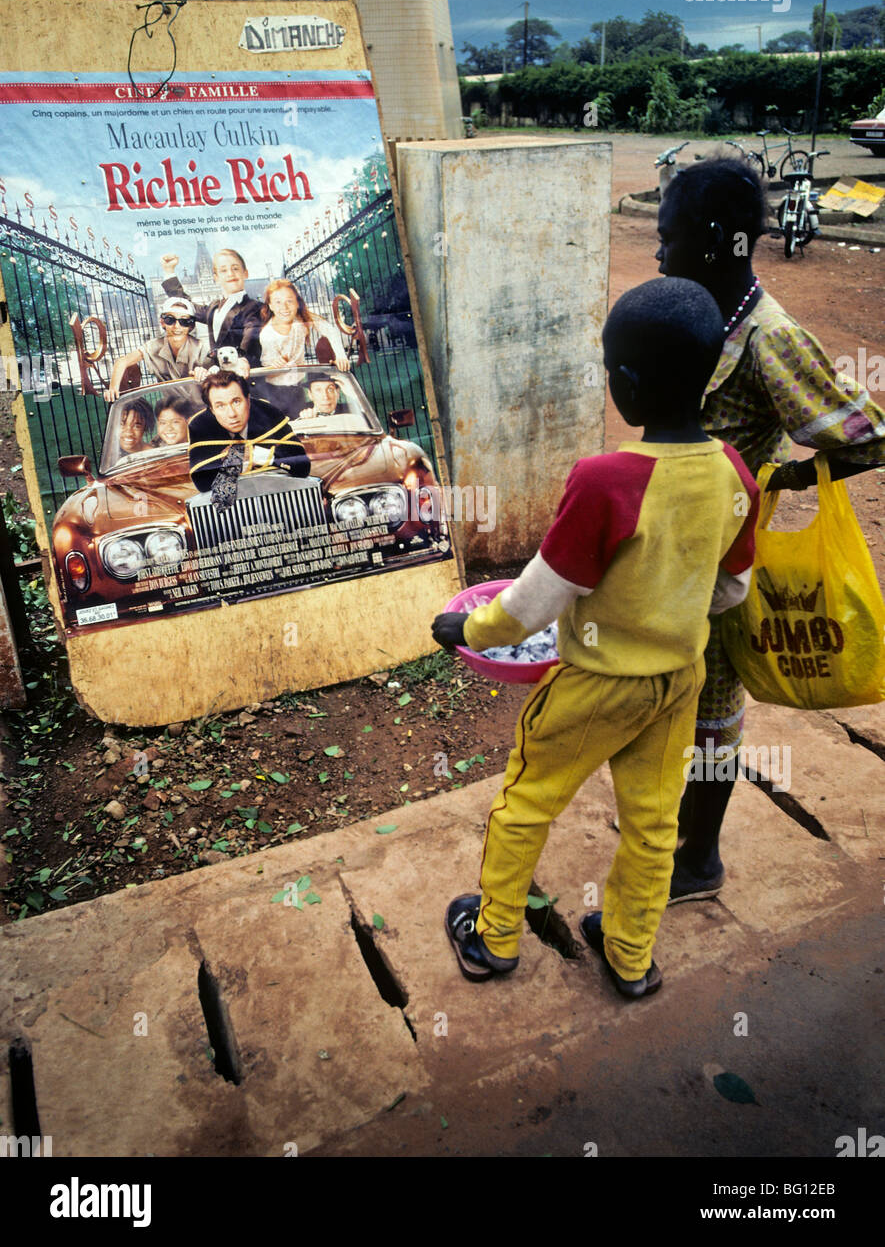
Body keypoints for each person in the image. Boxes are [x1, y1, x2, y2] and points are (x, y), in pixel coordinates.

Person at [432, 277, 760, 998]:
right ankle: (629, 955)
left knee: (525, 802)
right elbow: (729, 589)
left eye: (610, 368)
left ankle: (492, 941)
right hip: (678, 681)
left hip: (593, 687)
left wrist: (470, 629)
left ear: (629, 383)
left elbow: (532, 603)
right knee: (650, 823)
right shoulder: (732, 471)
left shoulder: (606, 480)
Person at [655, 157, 885, 904]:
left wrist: (778, 480)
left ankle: (700, 859)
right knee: (681, 696)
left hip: (725, 564)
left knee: (714, 712)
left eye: (669, 238)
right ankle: (676, 826)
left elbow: (866, 435)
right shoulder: (703, 313)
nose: (658, 253)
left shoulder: (768, 338)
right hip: (678, 554)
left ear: (718, 241)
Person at [187, 371, 310, 507]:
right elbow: (202, 483)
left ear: (248, 400)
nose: (231, 414)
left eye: (236, 401)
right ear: (212, 409)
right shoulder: (200, 426)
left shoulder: (268, 413)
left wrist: (255, 454)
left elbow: (302, 466)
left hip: (282, 501)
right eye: (220, 406)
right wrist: (238, 455)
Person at [161, 248, 263, 367]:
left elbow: (250, 336)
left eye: (235, 268)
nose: (230, 274)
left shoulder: (254, 307)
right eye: (224, 270)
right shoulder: (213, 308)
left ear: (245, 273)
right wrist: (169, 271)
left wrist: (243, 359)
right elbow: (184, 304)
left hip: (246, 374)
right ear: (216, 277)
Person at [105, 299, 210, 400]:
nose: (177, 326)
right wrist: (113, 389)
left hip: (202, 408)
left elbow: (217, 374)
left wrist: (204, 372)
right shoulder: (153, 346)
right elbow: (122, 361)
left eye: (184, 321)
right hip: (172, 410)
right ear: (162, 322)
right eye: (170, 320)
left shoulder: (202, 348)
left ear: (191, 326)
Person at [247, 280, 352, 379]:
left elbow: (329, 329)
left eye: (289, 301)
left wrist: (340, 355)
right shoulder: (267, 334)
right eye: (278, 302)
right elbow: (267, 366)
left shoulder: (301, 318)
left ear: (297, 303)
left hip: (299, 380)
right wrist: (274, 363)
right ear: (271, 306)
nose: (285, 307)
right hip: (277, 387)